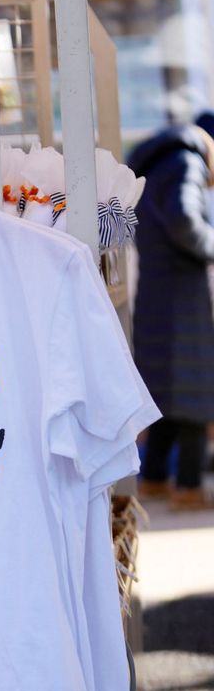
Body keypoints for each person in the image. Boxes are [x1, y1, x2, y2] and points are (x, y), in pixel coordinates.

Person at [130, 111, 214, 510]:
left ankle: (155, 480)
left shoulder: (159, 161)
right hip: (183, 299)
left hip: (156, 293)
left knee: (166, 395)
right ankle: (189, 488)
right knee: (197, 395)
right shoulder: (187, 161)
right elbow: (184, 219)